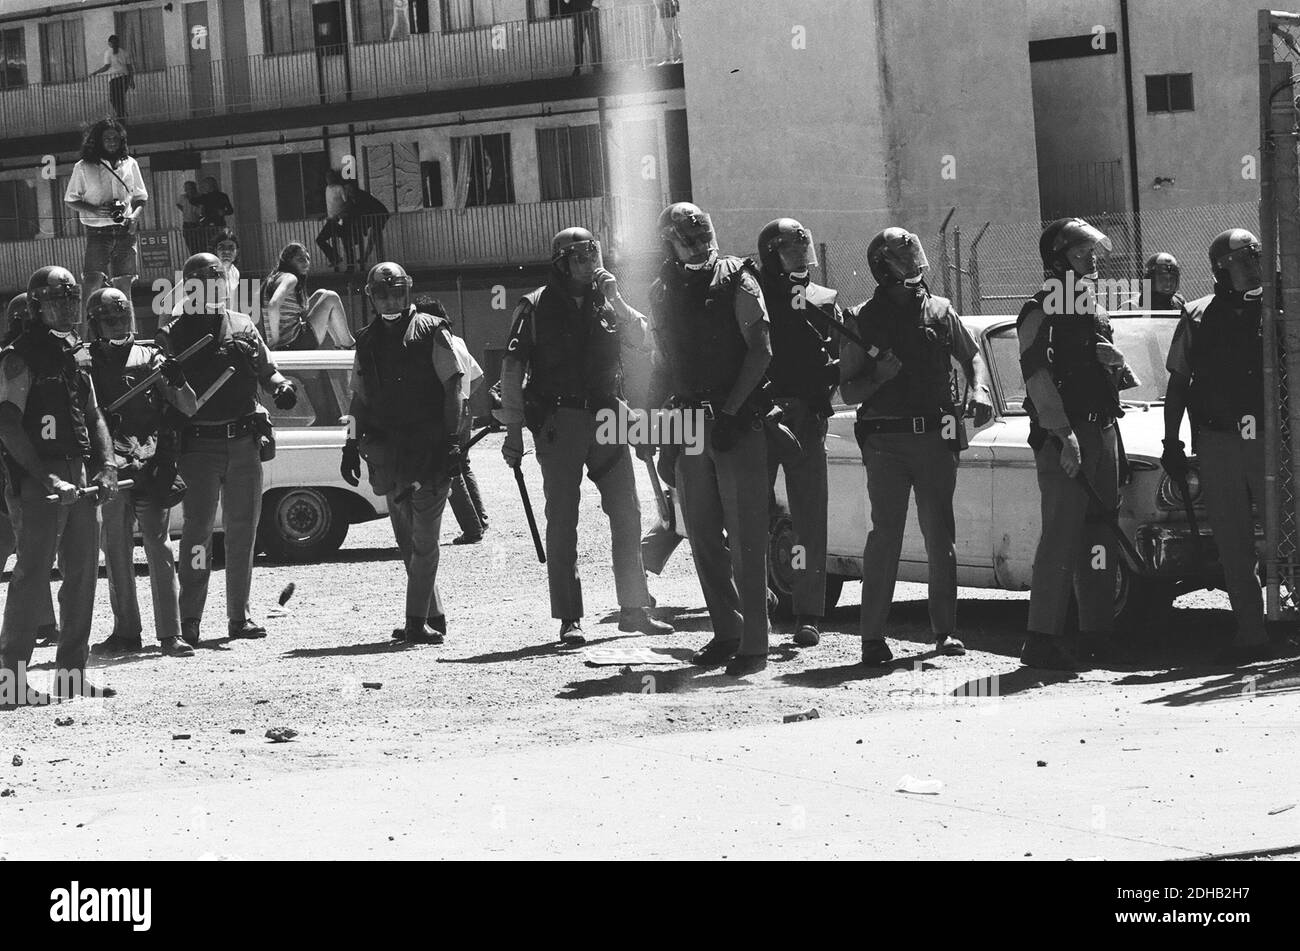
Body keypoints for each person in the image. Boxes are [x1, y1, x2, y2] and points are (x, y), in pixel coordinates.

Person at [499, 228, 671, 646]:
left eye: (592, 255)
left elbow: (641, 337)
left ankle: (633, 609)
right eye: (578, 258)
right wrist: (515, 432)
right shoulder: (534, 306)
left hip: (608, 412)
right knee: (563, 520)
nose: (588, 265)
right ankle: (569, 617)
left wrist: (616, 298)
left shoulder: (607, 301)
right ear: (560, 262)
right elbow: (511, 370)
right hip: (560, 420)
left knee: (627, 512)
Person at [839, 228, 993, 666]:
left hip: (939, 432)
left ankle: (945, 632)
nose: (914, 266)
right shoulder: (860, 318)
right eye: (903, 261)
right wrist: (878, 378)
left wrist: (978, 390)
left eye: (915, 257)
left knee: (941, 534)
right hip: (885, 438)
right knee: (885, 535)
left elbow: (972, 356)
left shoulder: (941, 310)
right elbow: (848, 393)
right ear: (883, 267)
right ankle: (872, 639)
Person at [644, 202, 771, 676]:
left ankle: (755, 644)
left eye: (702, 234)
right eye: (688, 238)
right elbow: (662, 363)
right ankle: (727, 632)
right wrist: (648, 425)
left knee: (745, 538)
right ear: (669, 244)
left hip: (735, 420)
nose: (699, 244)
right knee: (700, 535)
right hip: (686, 423)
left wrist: (734, 411)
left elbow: (761, 351)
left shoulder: (738, 277)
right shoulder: (661, 292)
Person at [156, 253, 298, 646]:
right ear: (189, 285)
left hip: (243, 443)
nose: (213, 285)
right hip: (198, 446)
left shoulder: (243, 324)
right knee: (198, 537)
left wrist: (282, 386)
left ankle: (240, 615)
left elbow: (267, 371)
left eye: (218, 278)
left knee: (243, 532)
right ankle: (191, 619)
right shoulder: (172, 331)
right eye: (203, 279)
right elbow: (165, 391)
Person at [1016, 218, 1134, 671]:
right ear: (1058, 256)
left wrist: (1117, 364)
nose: (1092, 257)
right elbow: (1037, 376)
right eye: (1082, 251)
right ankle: (1040, 638)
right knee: (1062, 536)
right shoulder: (1040, 308)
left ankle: (1096, 634)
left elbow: (1108, 375)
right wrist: (1064, 435)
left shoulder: (1092, 307)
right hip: (1067, 434)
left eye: (1093, 250)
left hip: (1103, 428)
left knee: (1099, 535)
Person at [0, 267, 118, 707]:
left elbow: (94, 414)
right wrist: (43, 475)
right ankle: (9, 680)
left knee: (83, 574)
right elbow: (8, 422)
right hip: (37, 479)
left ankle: (71, 673)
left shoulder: (74, 353)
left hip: (82, 474)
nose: (67, 307)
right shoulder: (19, 356)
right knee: (31, 576)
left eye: (71, 299)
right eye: (57, 300)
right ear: (35, 306)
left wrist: (106, 464)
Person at [1162, 230, 1275, 663]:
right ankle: (1251, 632)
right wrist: (1171, 441)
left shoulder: (1275, 310)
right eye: (1245, 258)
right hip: (1218, 441)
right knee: (1234, 541)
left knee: (1288, 532)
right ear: (1222, 267)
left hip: (1267, 439)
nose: (1254, 264)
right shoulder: (1196, 315)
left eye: (1255, 256)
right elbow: (1178, 383)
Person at [340, 263, 463, 645]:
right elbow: (358, 398)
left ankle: (414, 624)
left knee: (424, 540)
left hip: (429, 450)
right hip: (388, 453)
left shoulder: (432, 330)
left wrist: (453, 441)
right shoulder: (367, 340)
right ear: (371, 297)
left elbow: (453, 388)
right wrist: (349, 443)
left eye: (396, 293)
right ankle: (432, 615)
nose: (391, 300)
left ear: (407, 291)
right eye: (383, 294)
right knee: (408, 540)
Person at [82, 287, 197, 659]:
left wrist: (178, 379)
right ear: (95, 322)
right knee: (115, 550)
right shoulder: (83, 363)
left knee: (159, 547)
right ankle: (126, 632)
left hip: (151, 463)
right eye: (109, 318)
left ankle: (171, 634)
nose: (118, 323)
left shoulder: (152, 358)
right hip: (109, 467)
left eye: (122, 316)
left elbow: (189, 406)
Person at [754, 218, 843, 648]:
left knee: (810, 519)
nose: (800, 261)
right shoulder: (755, 294)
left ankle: (809, 612)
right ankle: (758, 602)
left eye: (802, 251)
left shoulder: (822, 300)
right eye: (790, 252)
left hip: (808, 416)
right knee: (754, 514)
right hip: (764, 416)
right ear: (772, 254)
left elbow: (842, 357)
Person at [0, 292, 59, 649]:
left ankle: (43, 622)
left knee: (31, 550)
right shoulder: (12, 358)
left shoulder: (44, 355)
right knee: (25, 549)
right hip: (11, 467)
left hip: (25, 467)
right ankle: (40, 623)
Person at [63, 117, 149, 307]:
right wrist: (94, 209)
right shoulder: (83, 166)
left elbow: (141, 197)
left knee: (124, 286)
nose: (112, 142)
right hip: (97, 233)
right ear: (98, 141)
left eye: (116, 138)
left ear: (122, 141)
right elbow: (70, 199)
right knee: (91, 284)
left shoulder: (130, 164)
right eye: (107, 138)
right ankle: (85, 334)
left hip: (125, 231)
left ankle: (128, 335)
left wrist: (134, 216)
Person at [263, 243, 355, 350]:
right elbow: (273, 305)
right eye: (300, 259)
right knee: (331, 297)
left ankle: (339, 345)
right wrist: (274, 340)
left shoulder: (273, 278)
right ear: (288, 261)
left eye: (307, 259)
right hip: (293, 343)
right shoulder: (290, 278)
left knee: (321, 293)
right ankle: (349, 344)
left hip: (289, 341)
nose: (306, 263)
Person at [344, 182, 390, 268]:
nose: (348, 191)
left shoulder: (361, 196)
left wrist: (364, 227)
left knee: (376, 238)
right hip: (375, 217)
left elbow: (363, 210)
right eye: (347, 190)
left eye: (350, 189)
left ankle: (379, 260)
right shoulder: (354, 197)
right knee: (373, 238)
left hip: (378, 216)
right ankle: (368, 258)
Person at [316, 170, 353, 271]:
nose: (328, 179)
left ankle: (350, 266)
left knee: (346, 243)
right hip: (331, 220)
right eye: (327, 177)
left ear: (334, 178)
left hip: (340, 220)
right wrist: (324, 215)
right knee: (320, 239)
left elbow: (347, 203)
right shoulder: (327, 189)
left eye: (330, 177)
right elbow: (331, 205)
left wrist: (339, 215)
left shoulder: (339, 188)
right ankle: (335, 259)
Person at [91, 35, 133, 118]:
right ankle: (122, 114)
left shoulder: (108, 53)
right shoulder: (124, 52)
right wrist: (131, 80)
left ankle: (121, 115)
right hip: (125, 78)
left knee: (113, 99)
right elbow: (129, 67)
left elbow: (106, 67)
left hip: (114, 79)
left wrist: (95, 72)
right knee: (120, 98)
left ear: (109, 43)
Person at [193, 177, 233, 250]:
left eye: (205, 185)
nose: (203, 187)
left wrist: (224, 212)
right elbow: (193, 201)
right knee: (209, 243)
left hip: (218, 223)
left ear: (210, 185)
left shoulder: (221, 196)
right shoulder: (205, 197)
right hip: (208, 224)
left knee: (218, 243)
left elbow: (230, 210)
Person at [570, 0, 602, 75]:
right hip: (577, 11)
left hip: (590, 9)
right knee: (578, 40)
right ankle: (578, 66)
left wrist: (594, 5)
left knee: (594, 38)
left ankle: (597, 65)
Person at [177, 181, 203, 256]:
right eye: (186, 188)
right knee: (190, 244)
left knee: (198, 244)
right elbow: (179, 205)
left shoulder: (199, 196)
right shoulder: (183, 197)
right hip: (187, 223)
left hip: (196, 223)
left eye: (190, 188)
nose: (188, 190)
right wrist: (185, 211)